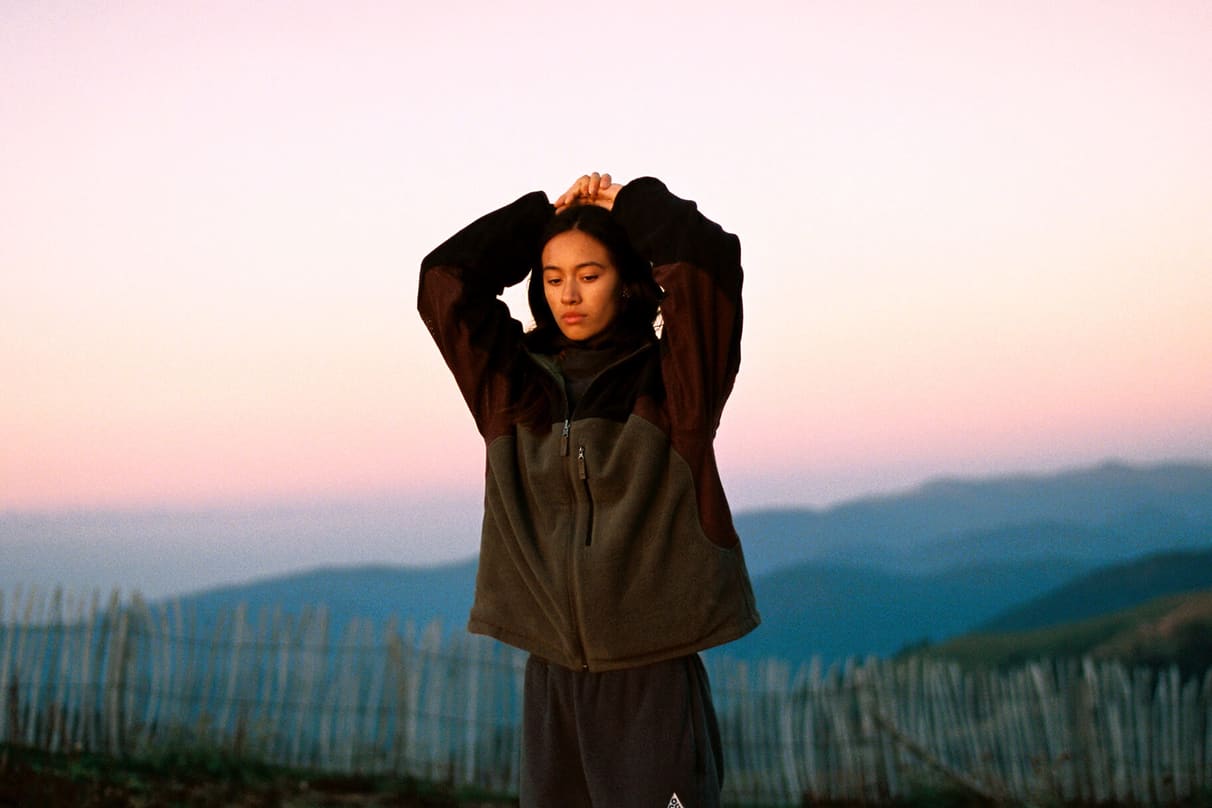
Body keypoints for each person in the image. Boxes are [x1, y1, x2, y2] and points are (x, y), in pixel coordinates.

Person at [418, 172, 759, 807]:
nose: (568, 294)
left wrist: (629, 202)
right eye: (552, 277)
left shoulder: (675, 386)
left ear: (628, 281)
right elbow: (445, 284)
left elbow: (709, 265)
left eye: (590, 274)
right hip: (552, 682)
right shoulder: (513, 391)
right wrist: (540, 217)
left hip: (651, 680)